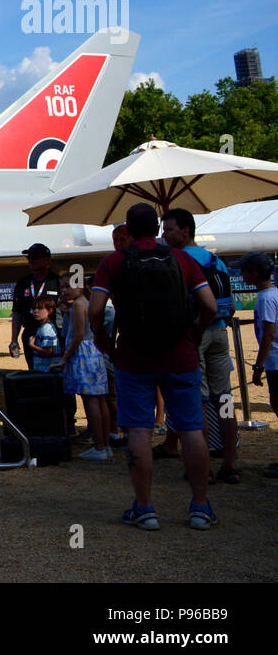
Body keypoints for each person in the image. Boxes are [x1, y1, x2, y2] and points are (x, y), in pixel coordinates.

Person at [89, 202, 217, 530]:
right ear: (158, 229)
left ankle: (145, 508)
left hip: (134, 358)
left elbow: (95, 308)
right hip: (181, 356)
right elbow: (210, 306)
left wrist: (102, 336)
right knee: (191, 430)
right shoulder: (182, 259)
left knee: (139, 431)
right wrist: (196, 331)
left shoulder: (113, 262)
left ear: (128, 232)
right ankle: (200, 507)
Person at [159, 208, 238, 482]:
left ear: (185, 230)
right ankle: (230, 463)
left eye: (168, 229)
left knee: (199, 402)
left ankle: (199, 467)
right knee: (225, 400)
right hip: (220, 333)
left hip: (196, 334)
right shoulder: (215, 260)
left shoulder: (176, 259)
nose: (163, 235)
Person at [59, 283, 111, 460]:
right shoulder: (85, 302)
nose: (64, 291)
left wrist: (65, 357)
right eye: (61, 287)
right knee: (100, 399)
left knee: (91, 402)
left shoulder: (79, 304)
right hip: (94, 352)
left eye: (67, 286)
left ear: (80, 287)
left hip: (84, 354)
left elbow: (79, 334)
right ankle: (105, 445)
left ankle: (99, 446)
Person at [239, 253, 277, 479]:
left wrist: (258, 365)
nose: (242, 275)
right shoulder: (274, 294)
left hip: (275, 362)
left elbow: (268, 334)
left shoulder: (265, 298)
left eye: (244, 271)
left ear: (254, 272)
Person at [9, 244, 61, 369]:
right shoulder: (22, 283)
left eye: (35, 257)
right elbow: (17, 312)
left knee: (54, 370)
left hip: (53, 334)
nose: (31, 260)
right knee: (34, 369)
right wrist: (14, 339)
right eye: (29, 257)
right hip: (30, 333)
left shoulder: (57, 281)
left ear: (47, 260)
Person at [28, 298, 61, 372]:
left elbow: (48, 352)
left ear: (50, 311)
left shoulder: (46, 329)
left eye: (40, 308)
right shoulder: (44, 327)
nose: (35, 311)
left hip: (47, 372)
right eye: (34, 308)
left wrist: (32, 346)